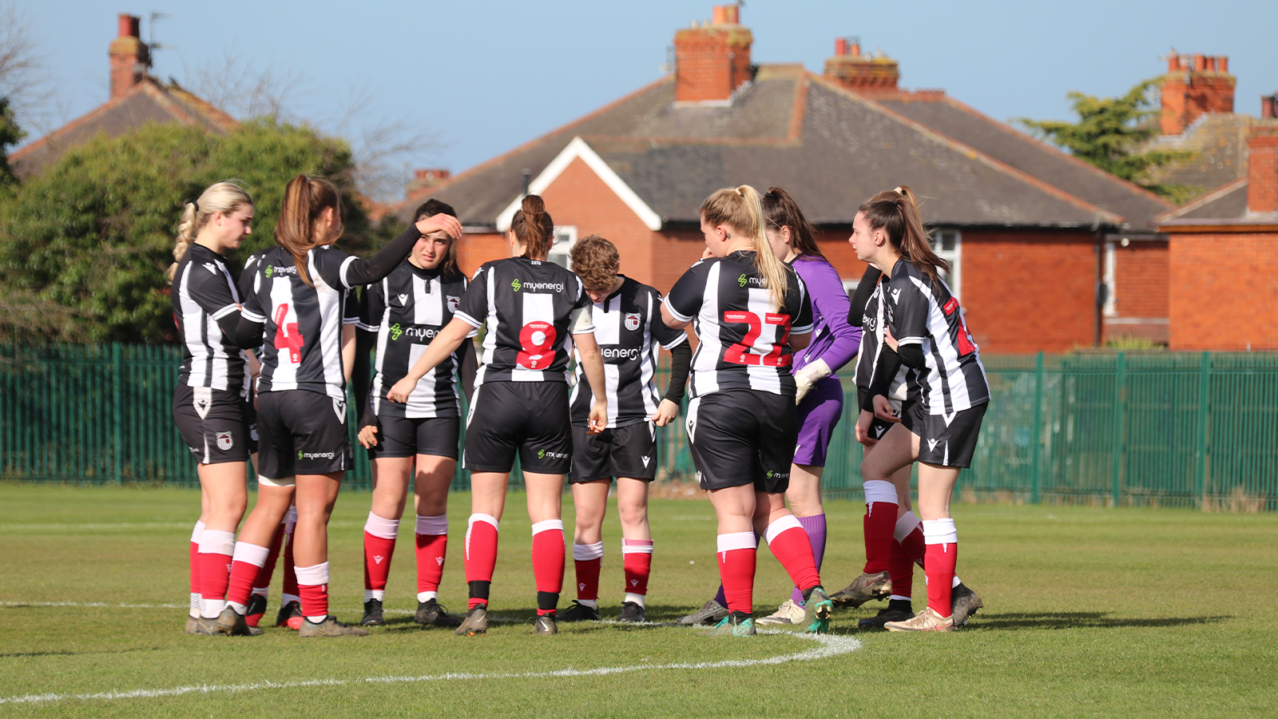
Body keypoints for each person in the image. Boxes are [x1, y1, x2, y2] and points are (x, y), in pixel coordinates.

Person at [223, 174, 462, 638]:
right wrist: (417, 228)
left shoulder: (259, 263)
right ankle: (315, 616)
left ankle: (232, 606)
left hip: (270, 394)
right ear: (327, 215)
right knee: (313, 511)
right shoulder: (325, 260)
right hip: (315, 397)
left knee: (269, 505)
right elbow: (371, 271)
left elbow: (243, 333)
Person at [386, 195, 608, 637]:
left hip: (497, 397)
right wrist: (599, 400)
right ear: (548, 239)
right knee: (546, 513)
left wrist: (412, 377)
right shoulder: (570, 282)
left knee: (485, 510)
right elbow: (589, 352)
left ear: (512, 237)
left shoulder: (491, 274)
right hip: (548, 398)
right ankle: (546, 617)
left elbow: (455, 335)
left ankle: (477, 608)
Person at [661, 185, 833, 637]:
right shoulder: (788, 277)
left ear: (721, 230)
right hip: (776, 399)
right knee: (773, 508)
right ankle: (812, 589)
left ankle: (739, 617)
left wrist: (704, 268)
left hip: (721, 399)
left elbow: (668, 319)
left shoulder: (708, 272)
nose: (706, 242)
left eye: (707, 234)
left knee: (735, 513)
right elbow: (799, 340)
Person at [848, 186, 990, 632]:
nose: (850, 240)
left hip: (953, 398)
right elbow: (893, 346)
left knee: (933, 505)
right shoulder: (896, 279)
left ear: (880, 236)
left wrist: (896, 349)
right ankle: (880, 569)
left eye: (856, 231)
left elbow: (908, 352)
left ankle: (941, 612)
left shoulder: (908, 284)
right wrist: (874, 394)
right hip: (929, 399)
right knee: (874, 469)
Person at [351, 199, 476, 628]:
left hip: (442, 408)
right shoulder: (384, 282)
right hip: (389, 408)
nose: (430, 247)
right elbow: (361, 351)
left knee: (434, 500)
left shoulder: (462, 286)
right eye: (424, 237)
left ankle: (428, 602)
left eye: (441, 241)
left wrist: (475, 406)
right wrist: (364, 412)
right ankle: (373, 605)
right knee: (389, 500)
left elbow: (469, 358)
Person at [554, 235, 691, 625]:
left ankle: (635, 601)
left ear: (614, 271)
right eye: (587, 288)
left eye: (600, 287)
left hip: (635, 419)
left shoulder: (647, 299)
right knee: (586, 517)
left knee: (633, 509)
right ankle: (586, 603)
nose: (593, 296)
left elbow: (680, 348)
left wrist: (672, 397)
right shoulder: (571, 299)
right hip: (584, 421)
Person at [169, 181, 264, 635]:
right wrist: (276, 295)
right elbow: (244, 331)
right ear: (218, 217)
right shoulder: (202, 269)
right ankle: (210, 612)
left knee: (214, 508)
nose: (248, 230)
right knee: (231, 502)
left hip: (223, 394)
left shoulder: (215, 265)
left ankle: (199, 610)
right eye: (243, 220)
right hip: (210, 395)